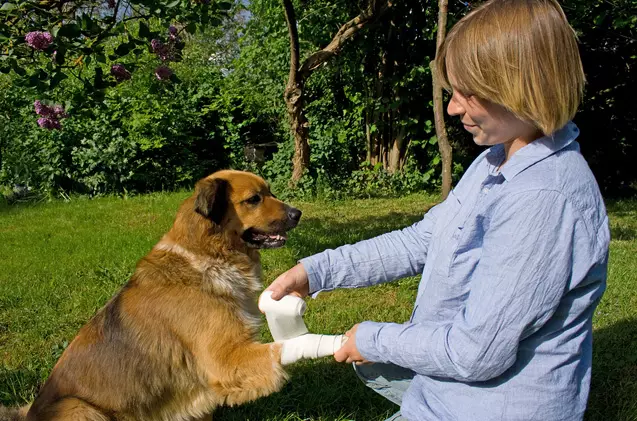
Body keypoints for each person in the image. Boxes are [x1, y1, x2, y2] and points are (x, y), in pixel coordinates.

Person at [266, 0, 610, 419]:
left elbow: (476, 352)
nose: (452, 108)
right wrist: (316, 272)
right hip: (446, 398)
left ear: (523, 85)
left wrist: (374, 339)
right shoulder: (495, 161)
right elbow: (423, 240)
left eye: (469, 92)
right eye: (453, 91)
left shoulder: (543, 199)